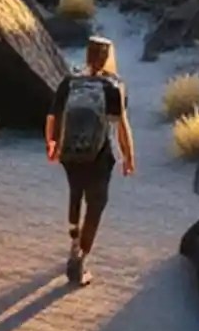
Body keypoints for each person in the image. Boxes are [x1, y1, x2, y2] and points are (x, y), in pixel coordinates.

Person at [44, 36, 136, 285]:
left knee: (76, 193)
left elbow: (52, 116)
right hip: (99, 155)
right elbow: (121, 126)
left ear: (87, 55)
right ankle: (81, 258)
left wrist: (51, 143)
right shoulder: (113, 86)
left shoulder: (70, 82)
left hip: (69, 151)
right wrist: (128, 156)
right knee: (96, 203)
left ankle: (74, 241)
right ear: (107, 58)